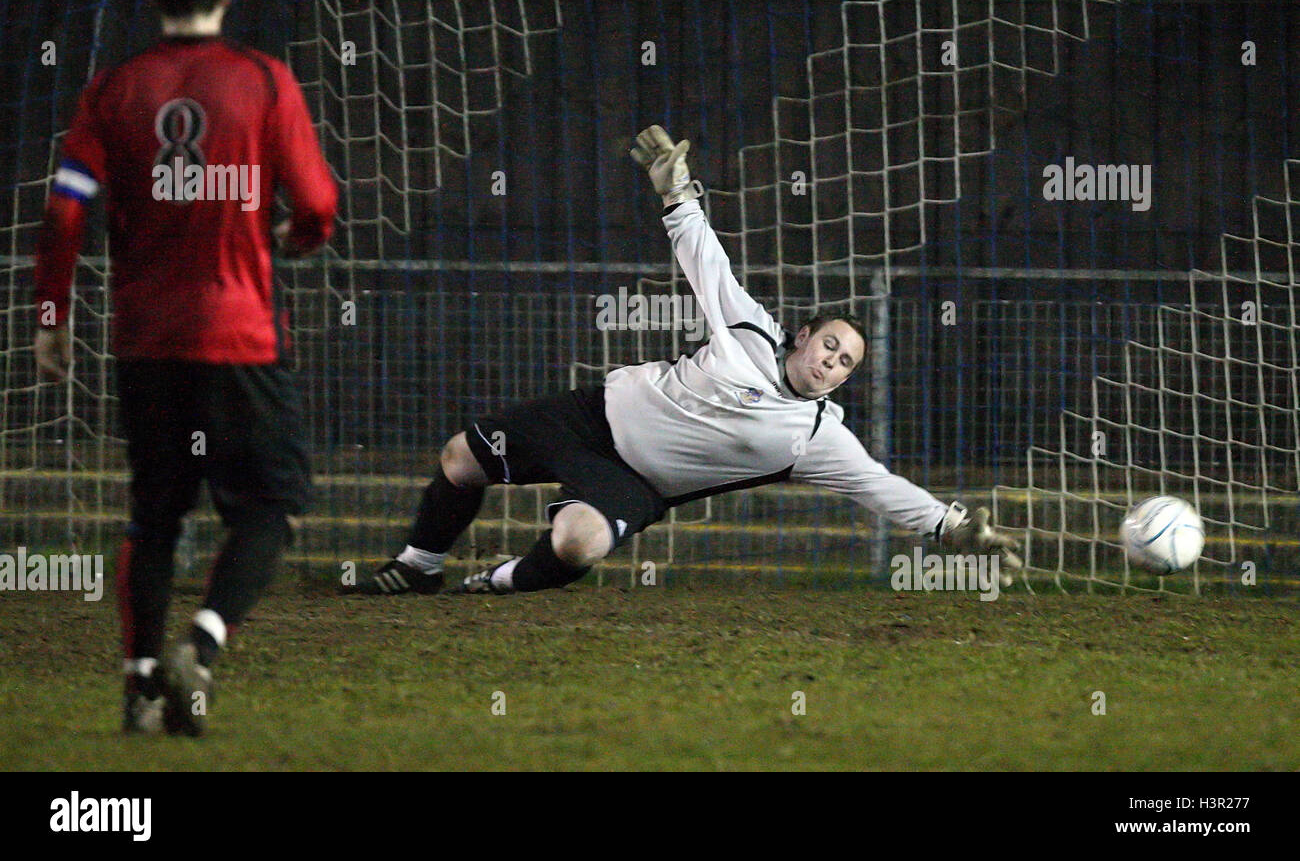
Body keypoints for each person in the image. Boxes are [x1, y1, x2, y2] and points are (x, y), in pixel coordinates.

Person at [351, 125, 1019, 597]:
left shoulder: (813, 435)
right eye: (829, 345)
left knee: (577, 544)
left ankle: (492, 580)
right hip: (592, 417)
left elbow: (878, 485)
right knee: (458, 459)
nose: (833, 362)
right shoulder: (752, 329)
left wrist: (953, 526)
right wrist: (676, 193)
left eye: (846, 362)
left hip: (636, 482)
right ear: (804, 334)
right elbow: (707, 263)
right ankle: (418, 563)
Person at [33, 0, 337, 736]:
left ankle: (137, 689)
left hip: (145, 340)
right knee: (272, 503)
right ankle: (199, 646)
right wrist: (295, 239)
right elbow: (316, 206)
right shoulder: (264, 83)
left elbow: (65, 208)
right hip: (239, 337)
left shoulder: (112, 90)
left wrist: (52, 315)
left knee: (154, 511)